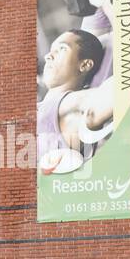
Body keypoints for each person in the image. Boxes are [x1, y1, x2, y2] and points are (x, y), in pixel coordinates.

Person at [36, 29, 114, 173]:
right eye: (51, 50)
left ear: (84, 65)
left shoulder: (67, 108)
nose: (48, 56)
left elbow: (99, 102)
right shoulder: (43, 107)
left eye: (61, 49)